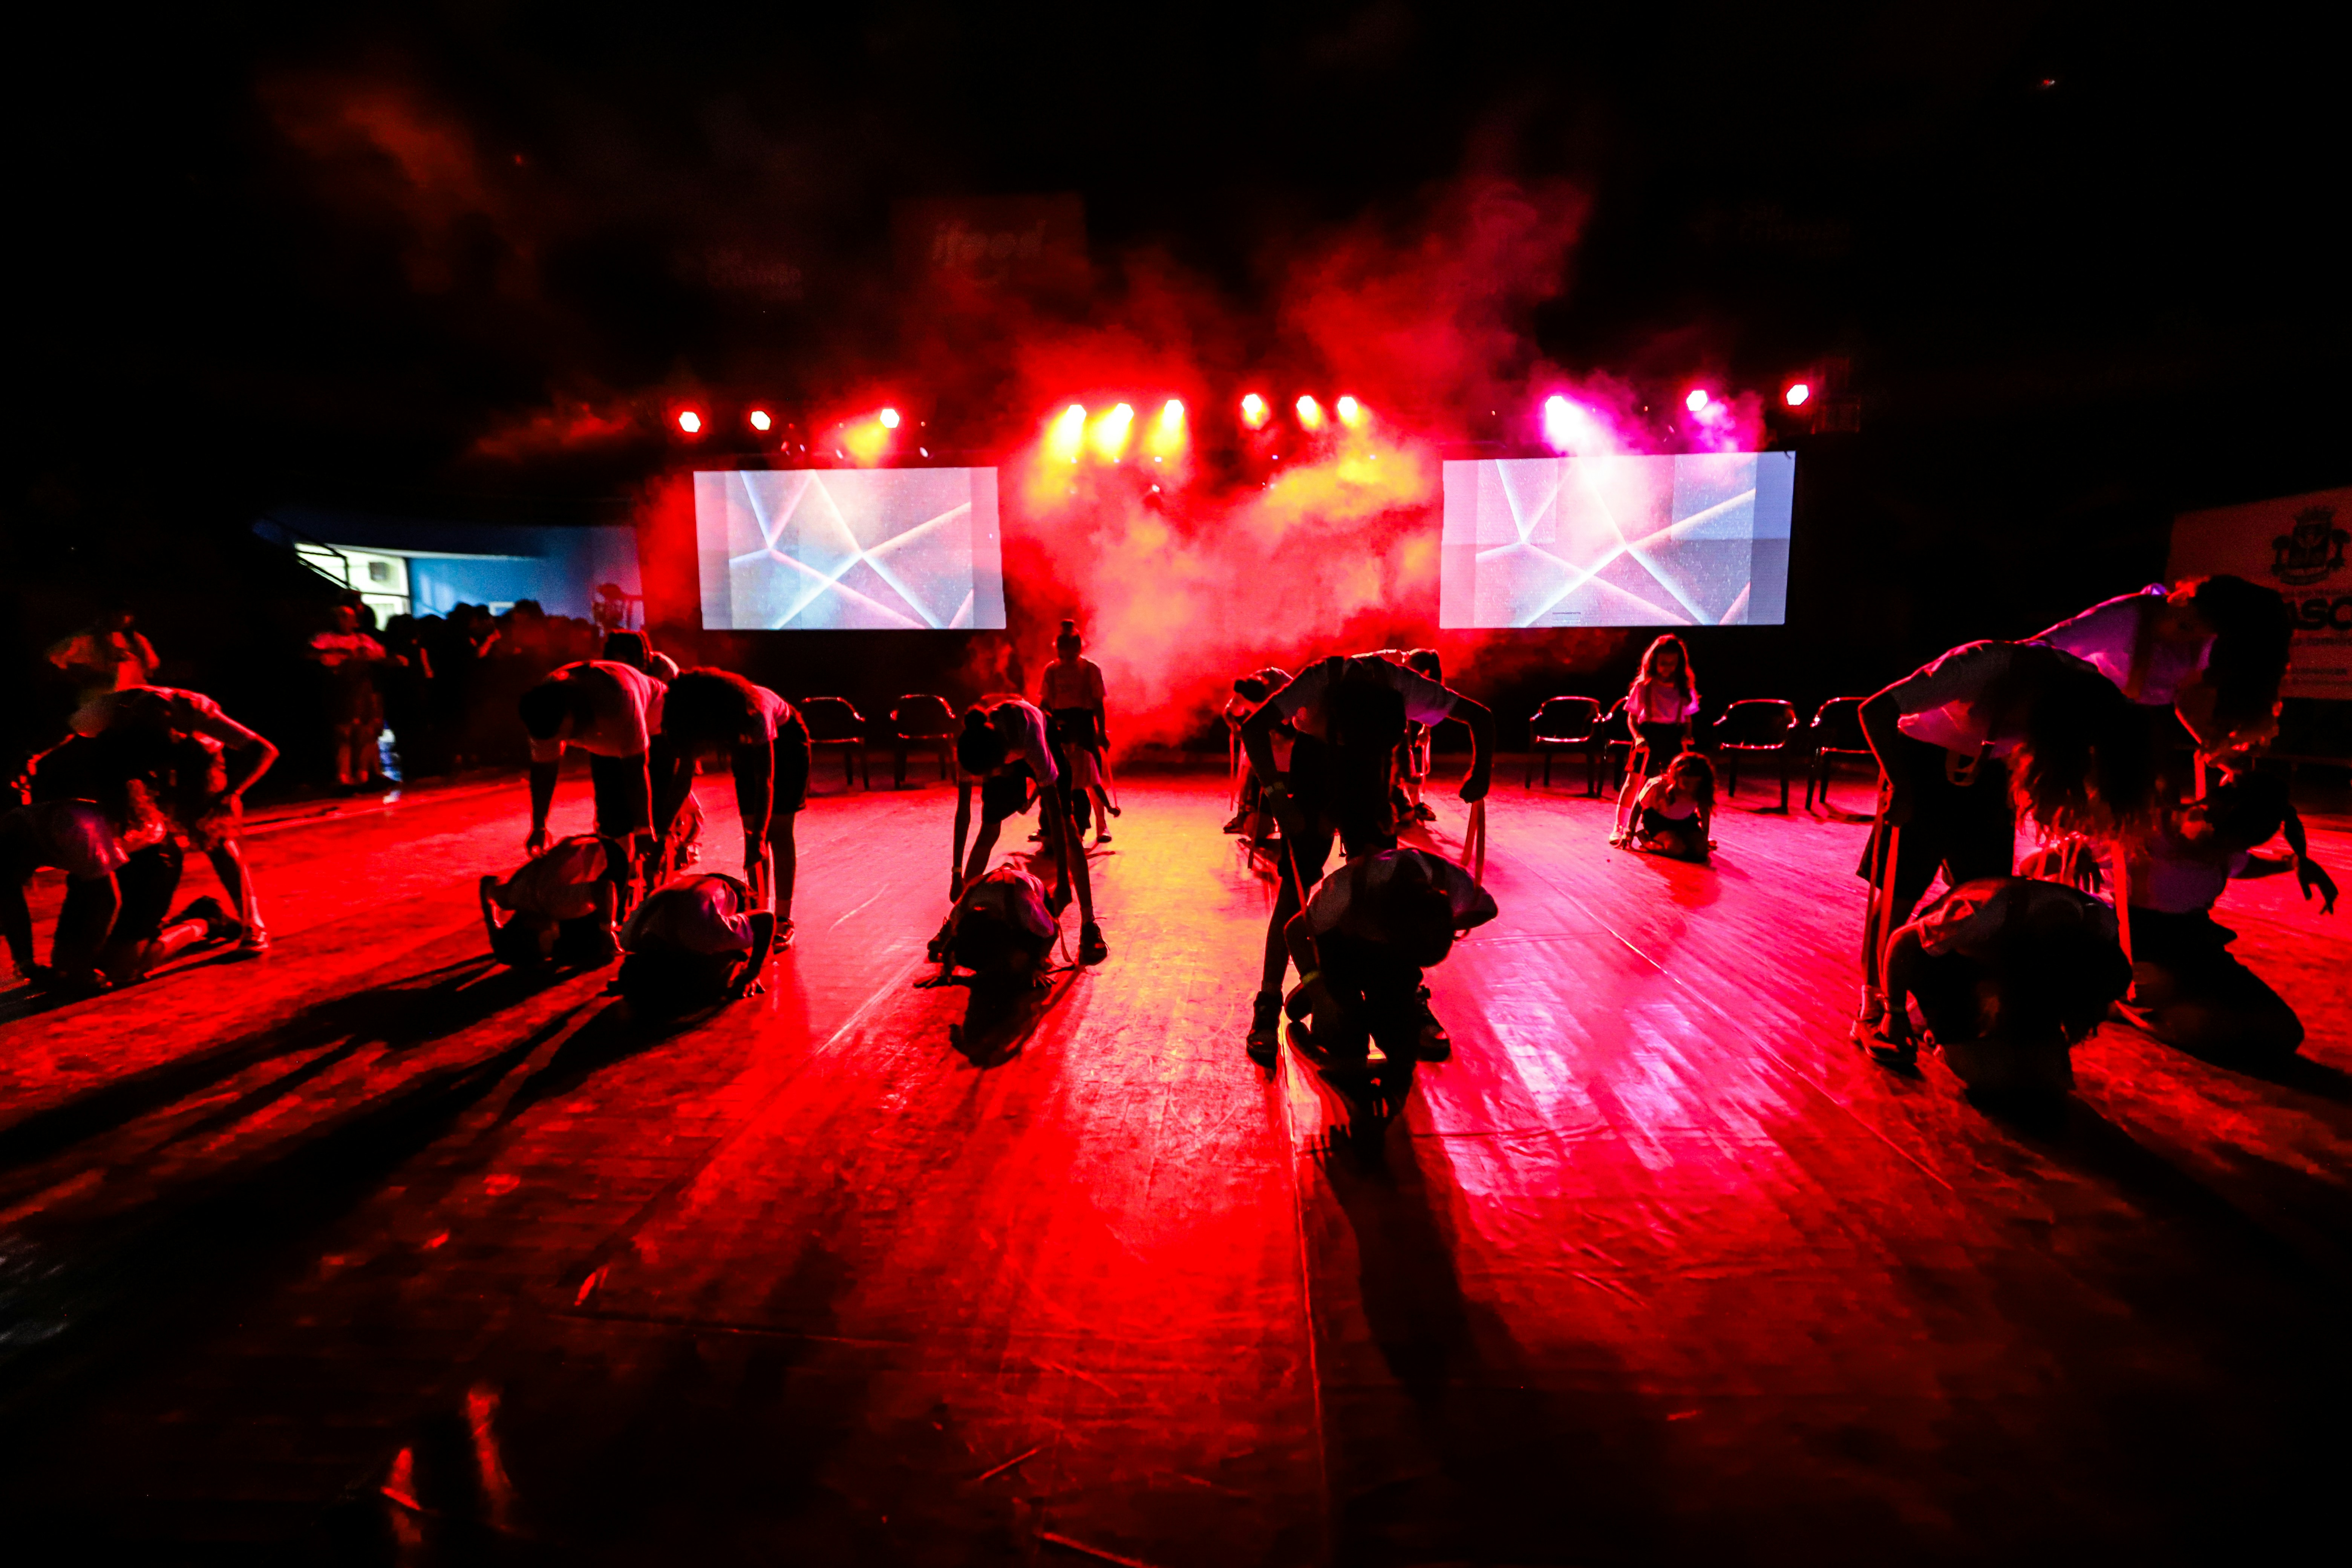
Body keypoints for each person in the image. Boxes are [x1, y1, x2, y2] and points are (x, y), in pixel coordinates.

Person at [1851, 639, 2155, 1053]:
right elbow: (1875, 710)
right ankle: (1878, 1007)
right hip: (1921, 767)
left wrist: (2083, 834)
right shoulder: (1980, 665)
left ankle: (1960, 1005)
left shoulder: (2083, 693)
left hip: (1989, 774)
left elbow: (2097, 760)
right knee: (1896, 897)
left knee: (1983, 900)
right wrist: (1900, 783)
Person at [1238, 651, 1496, 1065]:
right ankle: (1268, 999)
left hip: (1371, 778)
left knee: (1386, 886)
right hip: (1317, 769)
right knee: (1298, 888)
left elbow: (1480, 717)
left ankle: (1402, 993)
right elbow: (1253, 727)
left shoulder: (1397, 682)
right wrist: (1275, 796)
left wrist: (1481, 769)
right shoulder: (1319, 680)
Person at [2105, 773, 2335, 1060]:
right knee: (2199, 1021)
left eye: (2231, 850)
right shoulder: (2141, 834)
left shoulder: (2219, 843)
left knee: (2283, 1032)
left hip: (2197, 949)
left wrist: (2292, 862)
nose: (2221, 856)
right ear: (2198, 813)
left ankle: (2172, 1011)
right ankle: (2123, 1008)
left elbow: (2243, 865)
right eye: (2220, 847)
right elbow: (2056, 861)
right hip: (2141, 951)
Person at [68, 684, 279, 949]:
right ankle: (141, 917)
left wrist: (231, 794)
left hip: (198, 760)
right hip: (133, 757)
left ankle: (253, 923)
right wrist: (32, 757)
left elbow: (265, 750)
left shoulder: (197, 712)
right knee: (134, 832)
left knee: (215, 838)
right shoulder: (103, 712)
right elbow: (66, 736)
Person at [1878, 876, 2130, 1095]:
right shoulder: (1985, 912)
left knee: (2049, 1080)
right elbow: (1902, 941)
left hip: (2015, 963)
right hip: (1947, 961)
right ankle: (1932, 1021)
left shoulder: (2100, 925)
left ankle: (1990, 1027)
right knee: (1988, 1078)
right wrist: (1894, 1012)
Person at [1283, 844, 1498, 1067]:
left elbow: (1488, 909)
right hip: (1340, 947)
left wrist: (1447, 924)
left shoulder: (1451, 883)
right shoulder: (1344, 890)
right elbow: (1294, 931)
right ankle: (1331, 990)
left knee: (1400, 1033)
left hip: (1391, 951)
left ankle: (1398, 1004)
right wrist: (1318, 991)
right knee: (1346, 1042)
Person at [2032, 575, 2293, 757]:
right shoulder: (2125, 617)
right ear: (2180, 599)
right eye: (2186, 627)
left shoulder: (2203, 637)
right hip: (2085, 725)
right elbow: (2041, 646)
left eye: (2200, 634)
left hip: (2135, 733)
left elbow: (2185, 695)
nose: (2187, 639)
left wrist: (2212, 746)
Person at [654, 669, 810, 945]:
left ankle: (783, 917)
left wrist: (762, 838)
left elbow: (766, 781)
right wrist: (662, 830)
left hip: (786, 743)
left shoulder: (755, 713)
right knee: (750, 829)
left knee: (778, 831)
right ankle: (758, 912)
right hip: (744, 743)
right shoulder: (698, 719)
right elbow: (683, 778)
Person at [949, 696, 1106, 965]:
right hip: (997, 752)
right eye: (983, 777)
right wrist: (956, 875)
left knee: (1069, 830)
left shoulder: (1031, 740)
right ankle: (955, 922)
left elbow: (1056, 817)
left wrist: (1062, 882)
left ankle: (1089, 923)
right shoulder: (971, 747)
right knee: (988, 830)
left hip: (1043, 736)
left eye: (990, 775)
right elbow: (963, 813)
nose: (987, 781)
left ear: (1004, 763)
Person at [519, 658, 667, 900]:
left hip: (655, 719)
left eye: (565, 734)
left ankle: (661, 855)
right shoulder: (543, 712)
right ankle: (620, 880)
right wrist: (539, 826)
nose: (563, 741)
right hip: (601, 735)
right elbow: (544, 771)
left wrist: (643, 829)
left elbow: (636, 770)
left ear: (570, 713)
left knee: (655, 807)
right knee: (611, 817)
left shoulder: (618, 699)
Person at [616, 871, 776, 1018]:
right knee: (715, 960)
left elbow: (766, 919)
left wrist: (752, 971)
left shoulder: (702, 935)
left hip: (732, 890)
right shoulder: (630, 935)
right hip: (691, 887)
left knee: (724, 961)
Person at [479, 833, 627, 969]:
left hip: (610, 856)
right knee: (576, 936)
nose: (550, 951)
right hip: (577, 846)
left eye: (546, 950)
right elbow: (487, 883)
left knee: (596, 943)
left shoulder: (555, 902)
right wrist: (493, 926)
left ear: (534, 929)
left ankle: (603, 934)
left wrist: (607, 930)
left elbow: (605, 888)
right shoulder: (512, 897)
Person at [1609, 635, 1700, 844]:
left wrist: (1688, 734)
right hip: (1649, 736)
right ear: (1653, 663)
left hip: (1674, 738)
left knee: (1677, 784)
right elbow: (1632, 718)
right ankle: (1620, 826)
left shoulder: (1685, 689)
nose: (1667, 668)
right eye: (1663, 663)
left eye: (1672, 663)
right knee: (1634, 782)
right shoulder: (1643, 687)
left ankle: (1682, 825)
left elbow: (1687, 718)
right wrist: (1638, 737)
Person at [1039, 620, 1116, 845]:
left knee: (1091, 777)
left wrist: (1101, 732)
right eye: (1062, 648)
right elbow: (1045, 701)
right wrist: (1049, 725)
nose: (1067, 652)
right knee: (1054, 775)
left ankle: (1102, 826)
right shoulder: (1052, 670)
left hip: (1083, 723)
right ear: (1058, 648)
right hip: (1059, 724)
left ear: (1078, 647)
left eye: (1071, 647)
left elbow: (1097, 703)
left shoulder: (1090, 669)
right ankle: (1049, 825)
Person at [309, 600, 390, 788]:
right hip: (340, 692)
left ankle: (364, 774)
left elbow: (382, 657)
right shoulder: (325, 639)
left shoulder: (364, 640)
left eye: (349, 618)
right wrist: (336, 653)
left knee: (365, 732)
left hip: (363, 691)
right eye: (341, 617)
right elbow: (310, 654)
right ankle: (343, 776)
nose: (345, 621)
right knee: (343, 734)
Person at [1223, 668, 1292, 837]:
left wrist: (1283, 735)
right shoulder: (1244, 690)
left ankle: (1288, 813)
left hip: (1290, 730)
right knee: (1249, 763)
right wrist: (1235, 726)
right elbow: (1228, 713)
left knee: (1284, 766)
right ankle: (1243, 815)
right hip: (1263, 730)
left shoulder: (1286, 688)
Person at [47, 609, 160, 701]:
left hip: (129, 701)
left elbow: (150, 669)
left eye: (127, 614)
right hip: (97, 701)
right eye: (116, 614)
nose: (125, 619)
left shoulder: (137, 640)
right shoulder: (85, 639)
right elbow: (55, 659)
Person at [1627, 750, 1716, 861]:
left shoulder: (1701, 789)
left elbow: (1704, 812)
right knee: (1676, 849)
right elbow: (1639, 805)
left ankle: (1679, 839)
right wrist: (1630, 831)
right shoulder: (1658, 785)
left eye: (1696, 783)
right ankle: (1646, 841)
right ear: (1676, 776)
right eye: (1687, 783)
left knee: (1701, 851)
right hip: (1659, 821)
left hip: (1686, 820)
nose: (1691, 787)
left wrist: (1705, 838)